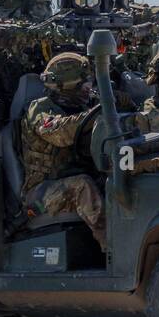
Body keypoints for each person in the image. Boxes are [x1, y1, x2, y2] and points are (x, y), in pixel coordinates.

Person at [18, 52, 106, 248]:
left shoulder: (85, 105)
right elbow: (59, 133)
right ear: (64, 87)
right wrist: (96, 114)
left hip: (71, 176)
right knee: (83, 186)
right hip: (41, 192)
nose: (88, 88)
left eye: (89, 82)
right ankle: (113, 249)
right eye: (82, 84)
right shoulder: (39, 109)